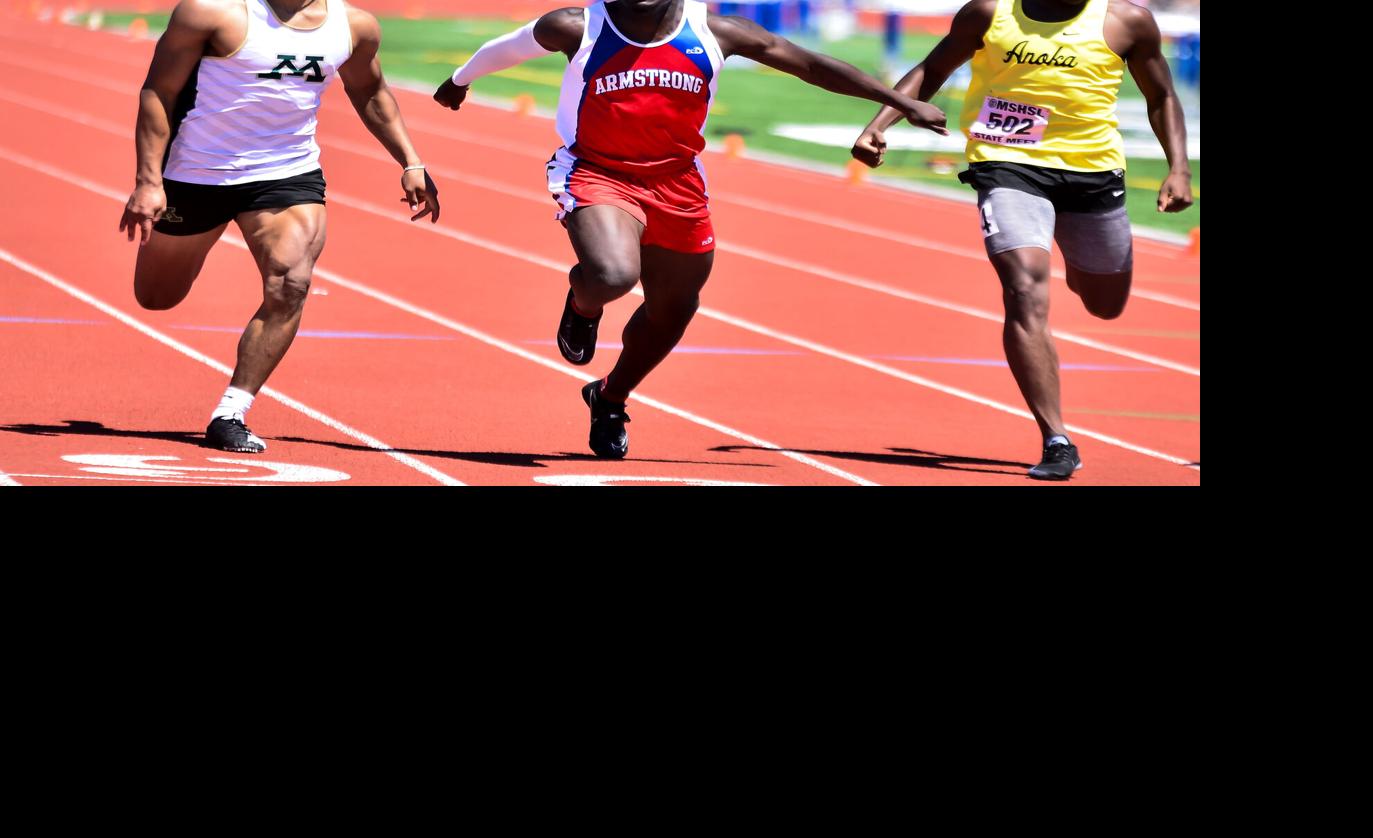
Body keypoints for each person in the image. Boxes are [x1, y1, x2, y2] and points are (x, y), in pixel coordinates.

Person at [434, 0, 946, 459]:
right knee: (613, 274)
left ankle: (609, 397)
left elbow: (810, 64)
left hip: (678, 181)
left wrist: (903, 104)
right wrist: (460, 78)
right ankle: (583, 301)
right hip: (597, 170)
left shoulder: (715, 31)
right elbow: (509, 46)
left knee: (675, 308)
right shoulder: (577, 26)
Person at [854, 0, 1192, 480]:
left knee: (1104, 302)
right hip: (1005, 162)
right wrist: (878, 125)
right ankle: (1056, 438)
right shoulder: (989, 13)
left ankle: (1076, 259)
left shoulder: (1126, 20)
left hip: (1092, 172)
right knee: (1024, 289)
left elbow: (1162, 97)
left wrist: (1177, 168)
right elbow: (933, 67)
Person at [118, 0, 440, 453]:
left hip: (288, 174)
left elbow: (370, 90)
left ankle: (231, 411)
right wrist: (149, 182)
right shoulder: (212, 13)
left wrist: (411, 161)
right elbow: (159, 91)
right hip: (197, 174)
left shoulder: (355, 26)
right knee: (156, 297)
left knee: (291, 282)